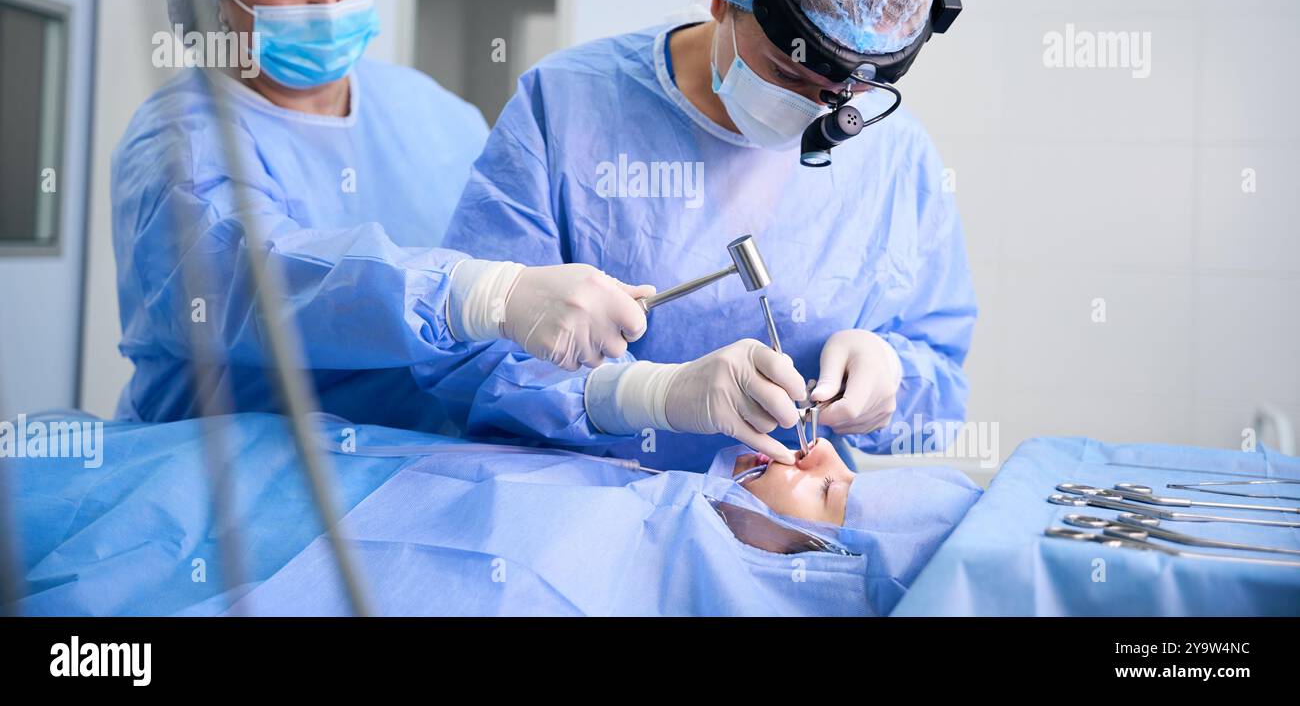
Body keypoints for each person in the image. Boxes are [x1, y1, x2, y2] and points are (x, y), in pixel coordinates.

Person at [436, 0, 975, 470]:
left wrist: (893, 379)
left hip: (773, 541)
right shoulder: (569, 106)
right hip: (581, 523)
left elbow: (940, 389)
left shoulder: (895, 156)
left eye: (845, 97)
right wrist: (638, 396)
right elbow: (469, 358)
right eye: (788, 74)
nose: (816, 114)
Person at [112, 0, 652, 427]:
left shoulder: (432, 111)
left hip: (417, 464)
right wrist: (476, 294)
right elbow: (252, 282)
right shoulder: (180, 141)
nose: (326, 0)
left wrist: (637, 394)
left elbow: (509, 317)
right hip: (234, 479)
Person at [11, 412, 981, 616]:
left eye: (830, 487)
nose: (816, 448)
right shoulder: (665, 503)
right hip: (268, 467)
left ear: (811, 567)